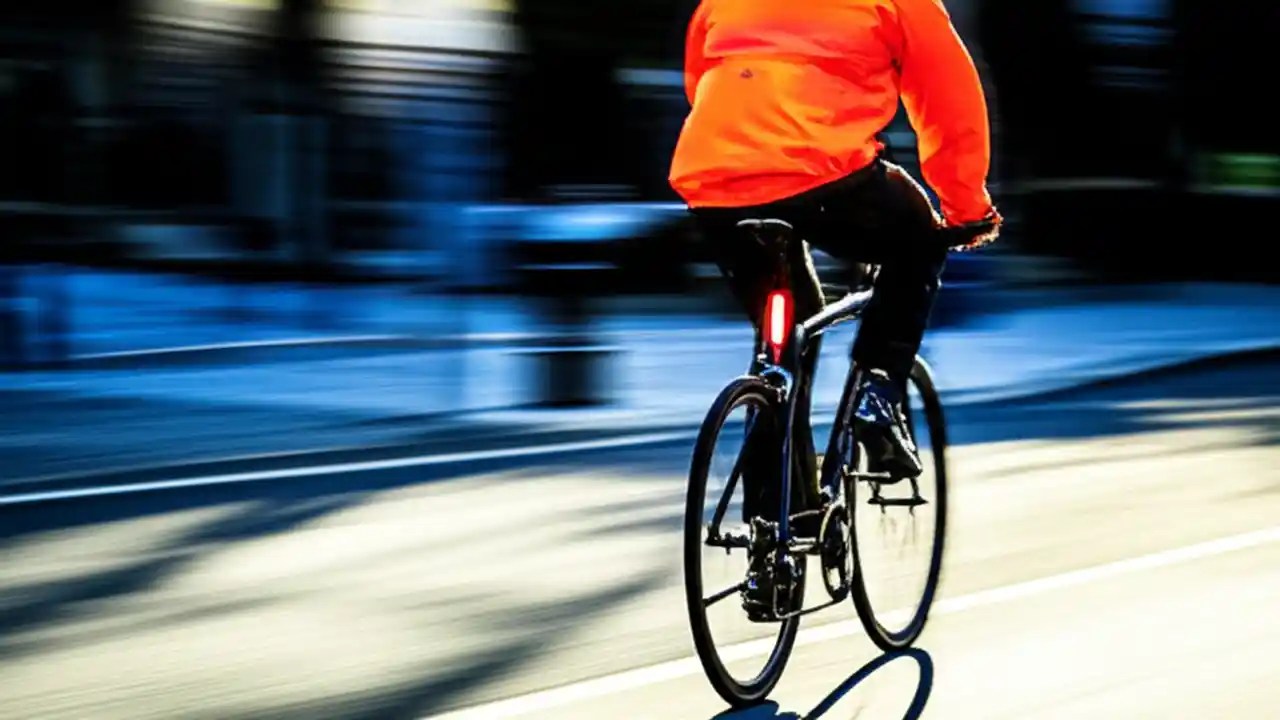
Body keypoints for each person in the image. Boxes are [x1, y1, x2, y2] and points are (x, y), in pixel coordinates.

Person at [670, 0, 1002, 544]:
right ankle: (878, 393)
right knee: (918, 235)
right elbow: (948, 100)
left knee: (783, 336)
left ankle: (777, 529)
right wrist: (966, 210)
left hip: (715, 184)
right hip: (824, 176)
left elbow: (702, 81)